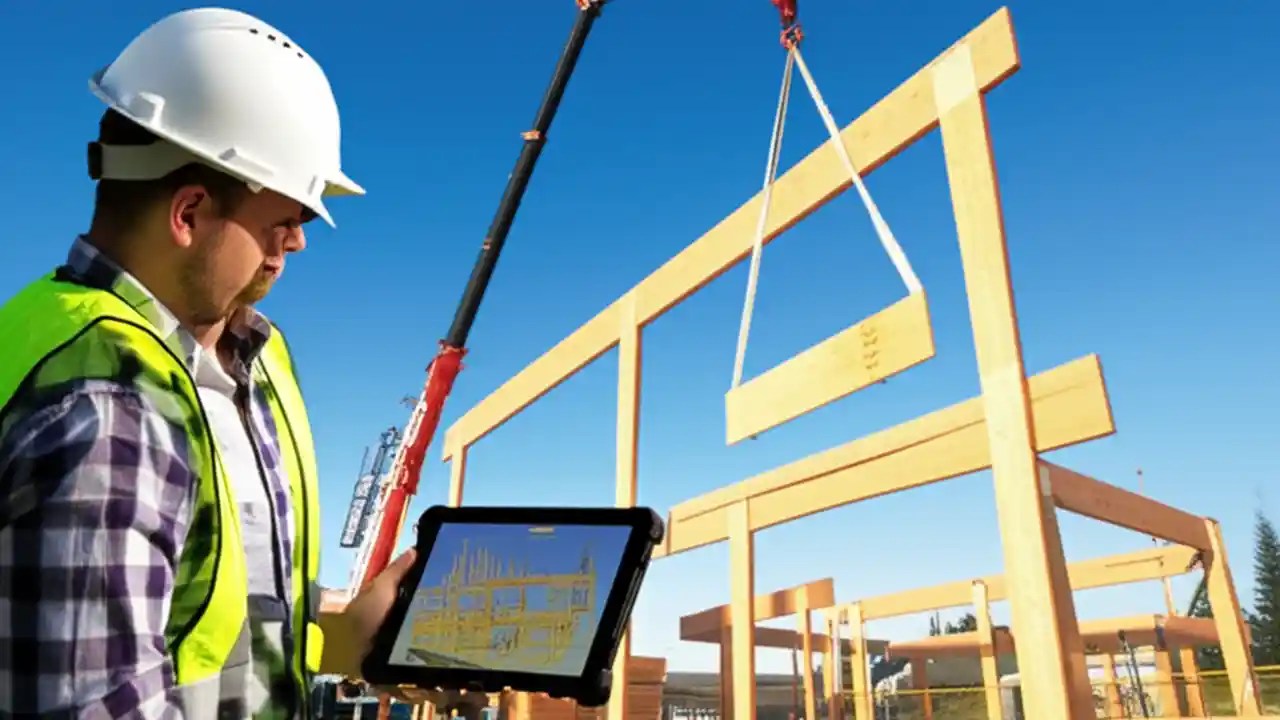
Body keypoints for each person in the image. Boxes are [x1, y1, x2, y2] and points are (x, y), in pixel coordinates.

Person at [0, 8, 415, 718]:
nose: (297, 243)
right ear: (189, 212)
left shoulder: (248, 362)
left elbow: (212, 611)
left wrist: (345, 640)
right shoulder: (110, 400)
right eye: (287, 219)